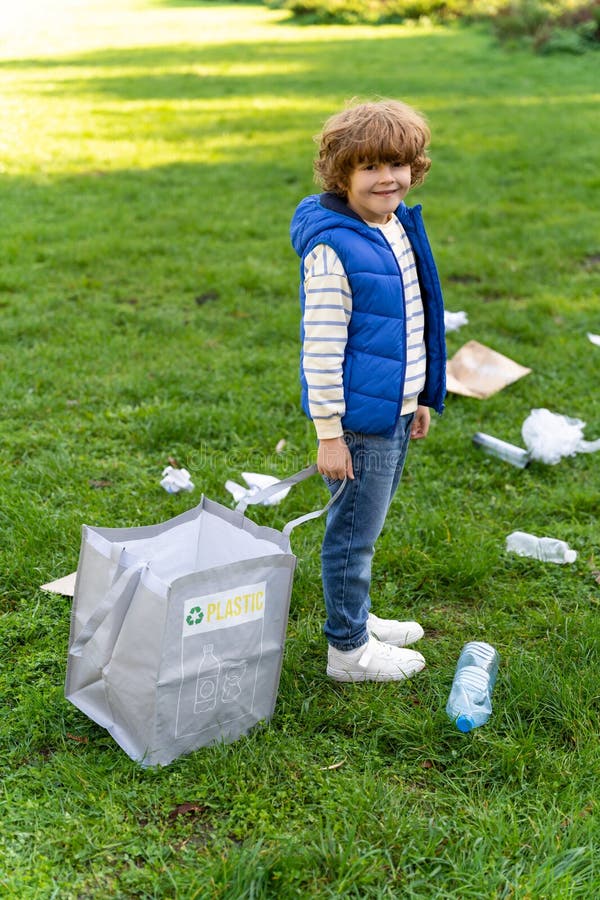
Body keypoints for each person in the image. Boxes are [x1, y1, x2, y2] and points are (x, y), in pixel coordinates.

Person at [290, 99, 446, 683]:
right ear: (341, 176)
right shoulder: (334, 250)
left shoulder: (396, 223)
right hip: (358, 423)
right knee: (352, 539)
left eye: (398, 164)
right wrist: (330, 435)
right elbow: (322, 351)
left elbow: (413, 315)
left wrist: (420, 395)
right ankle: (348, 652)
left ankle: (355, 618)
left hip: (395, 410)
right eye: (371, 168)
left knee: (364, 529)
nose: (388, 179)